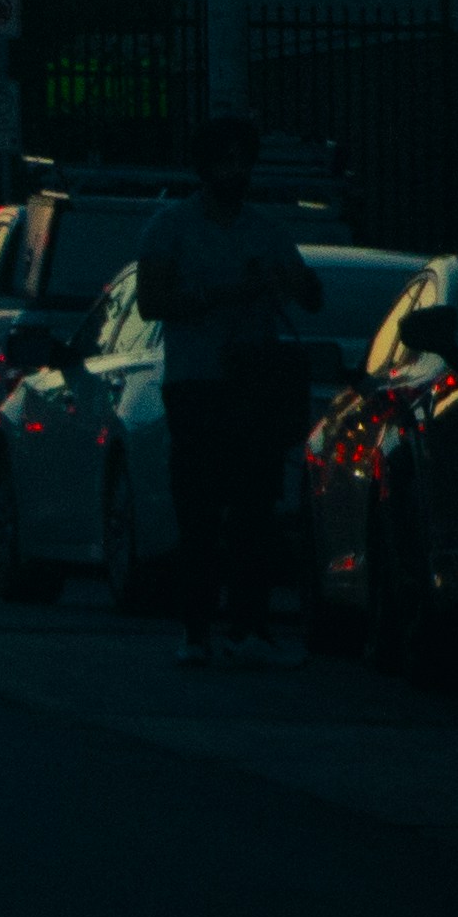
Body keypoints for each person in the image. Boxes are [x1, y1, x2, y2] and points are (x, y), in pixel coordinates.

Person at [130, 115, 321, 663]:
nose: (236, 172)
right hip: (195, 384)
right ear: (205, 168)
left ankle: (250, 626)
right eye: (225, 161)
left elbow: (311, 295)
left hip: (252, 385)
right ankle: (196, 627)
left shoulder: (267, 230)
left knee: (254, 509)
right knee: (199, 511)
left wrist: (293, 282)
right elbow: (151, 302)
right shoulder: (170, 228)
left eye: (243, 161)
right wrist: (221, 295)